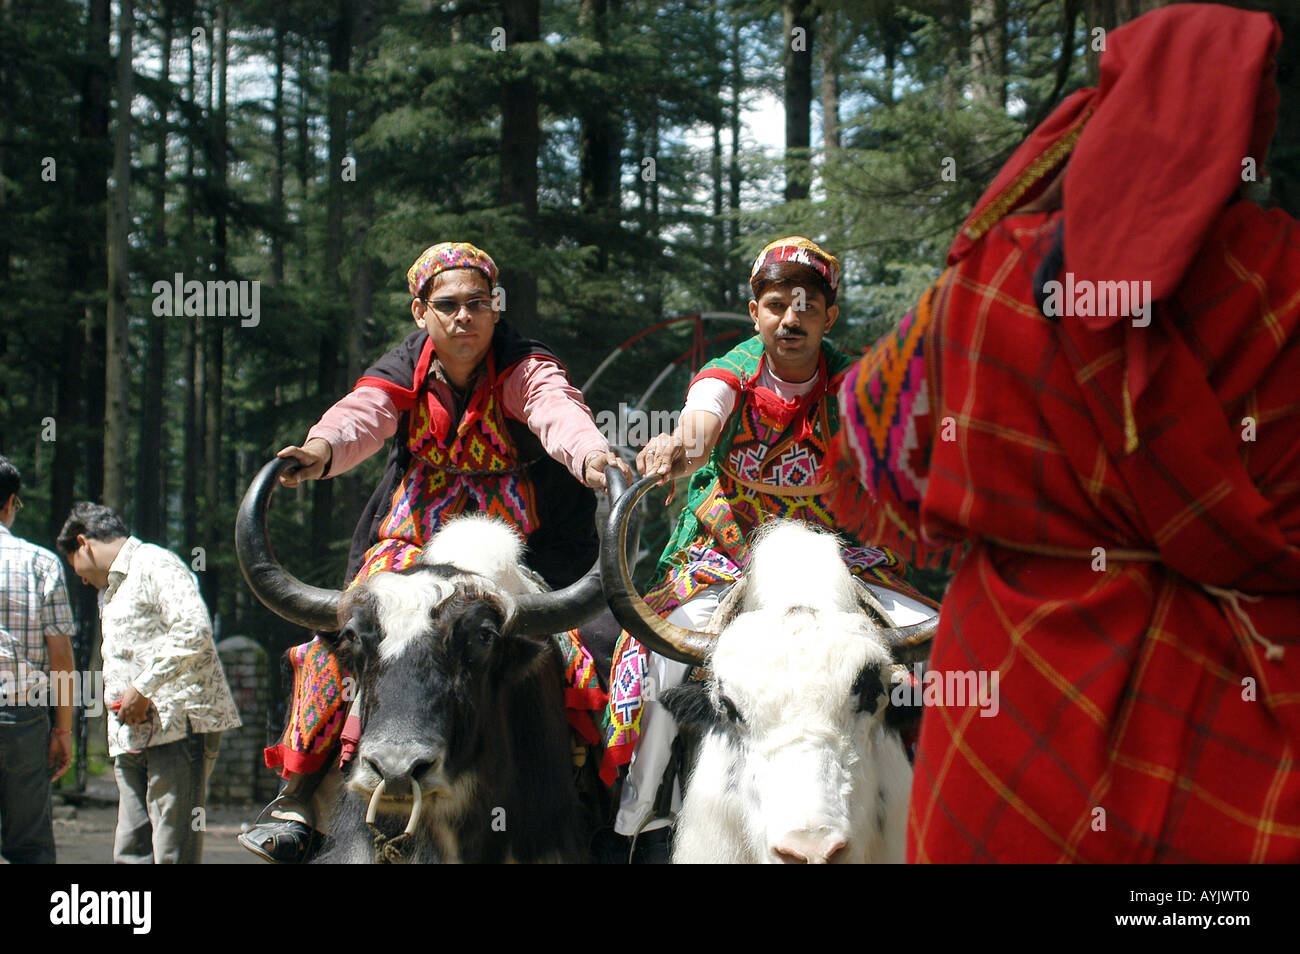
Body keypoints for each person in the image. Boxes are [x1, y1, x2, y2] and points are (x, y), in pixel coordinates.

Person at [826, 4, 1300, 862]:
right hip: (1240, 733)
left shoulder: (997, 275)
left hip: (1009, 720)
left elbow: (872, 440)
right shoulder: (1288, 281)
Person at [241, 240, 631, 862]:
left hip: (507, 548)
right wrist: (318, 451)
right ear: (420, 311)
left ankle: (607, 796)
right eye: (447, 304)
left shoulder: (524, 366)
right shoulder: (404, 370)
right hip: (407, 544)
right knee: (331, 642)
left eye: (478, 304)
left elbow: (556, 409)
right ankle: (298, 796)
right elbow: (363, 413)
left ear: (495, 311)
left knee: (599, 649)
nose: (464, 317)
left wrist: (590, 456)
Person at [602, 236, 930, 861]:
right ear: (755, 313)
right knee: (658, 662)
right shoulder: (727, 374)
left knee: (932, 654)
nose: (791, 318)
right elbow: (703, 421)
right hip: (728, 553)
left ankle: (936, 811)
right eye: (776, 304)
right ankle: (639, 816)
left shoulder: (859, 384)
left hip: (843, 556)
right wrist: (678, 446)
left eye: (807, 306)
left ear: (829, 317)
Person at [57, 503, 241, 864]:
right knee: (130, 852)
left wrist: (142, 688)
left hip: (177, 730)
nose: (79, 577)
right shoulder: (111, 588)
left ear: (84, 543)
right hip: (130, 736)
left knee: (173, 853)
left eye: (73, 565)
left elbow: (195, 628)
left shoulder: (155, 563)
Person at [0, 455, 76, 863]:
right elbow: (61, 656)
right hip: (22, 717)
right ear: (10, 502)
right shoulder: (41, 562)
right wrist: (62, 730)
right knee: (27, 845)